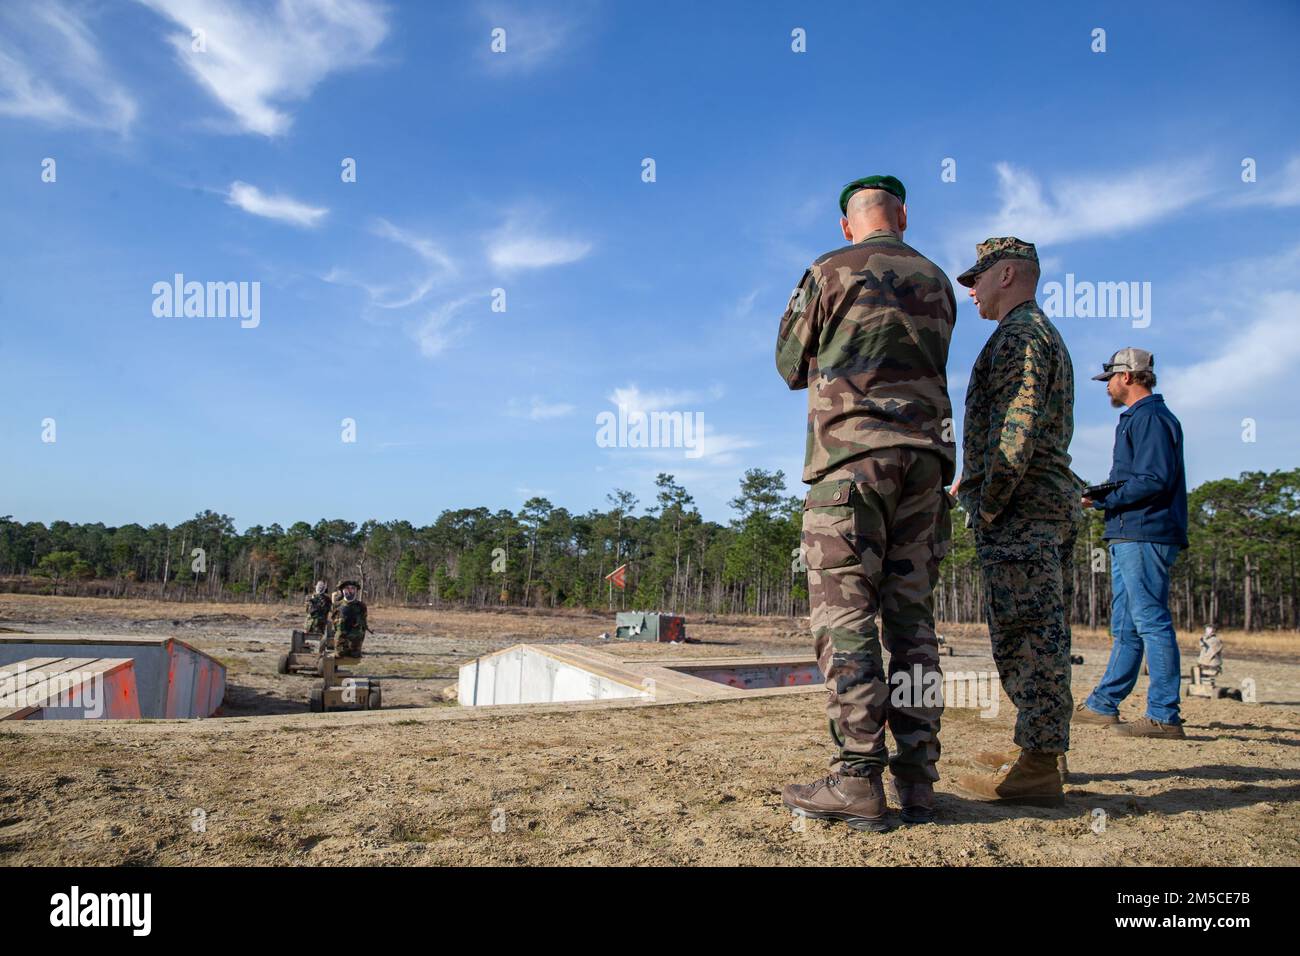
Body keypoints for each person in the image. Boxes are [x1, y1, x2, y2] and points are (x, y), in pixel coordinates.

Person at [776, 174, 957, 829]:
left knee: (846, 616)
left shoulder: (829, 270)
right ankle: (918, 783)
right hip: (927, 471)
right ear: (902, 217)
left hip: (851, 465)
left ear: (849, 224)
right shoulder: (937, 280)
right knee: (913, 627)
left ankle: (856, 779)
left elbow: (790, 364)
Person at [951, 237, 1079, 808]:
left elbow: (1016, 429)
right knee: (1042, 629)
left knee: (1028, 635)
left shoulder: (1022, 336)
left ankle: (1040, 763)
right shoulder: (1032, 332)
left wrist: (989, 498)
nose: (972, 291)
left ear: (1005, 274)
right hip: (1037, 503)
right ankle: (1041, 749)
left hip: (1022, 508)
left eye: (976, 279)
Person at [1077, 348, 1190, 738]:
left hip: (1146, 532)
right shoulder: (1139, 419)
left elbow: (1154, 479)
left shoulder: (1152, 418)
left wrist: (1107, 498)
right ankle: (1102, 705)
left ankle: (1163, 716)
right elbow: (1140, 477)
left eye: (1108, 377)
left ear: (1127, 376)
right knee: (1126, 626)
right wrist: (1102, 496)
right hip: (1129, 532)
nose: (1106, 385)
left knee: (1151, 622)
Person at [331, 580, 369, 659]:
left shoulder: (361, 606)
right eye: (347, 588)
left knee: (355, 656)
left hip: (355, 644)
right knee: (339, 655)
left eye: (352, 588)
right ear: (342, 590)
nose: (349, 591)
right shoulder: (337, 605)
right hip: (340, 643)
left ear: (356, 590)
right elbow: (334, 624)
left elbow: (363, 626)